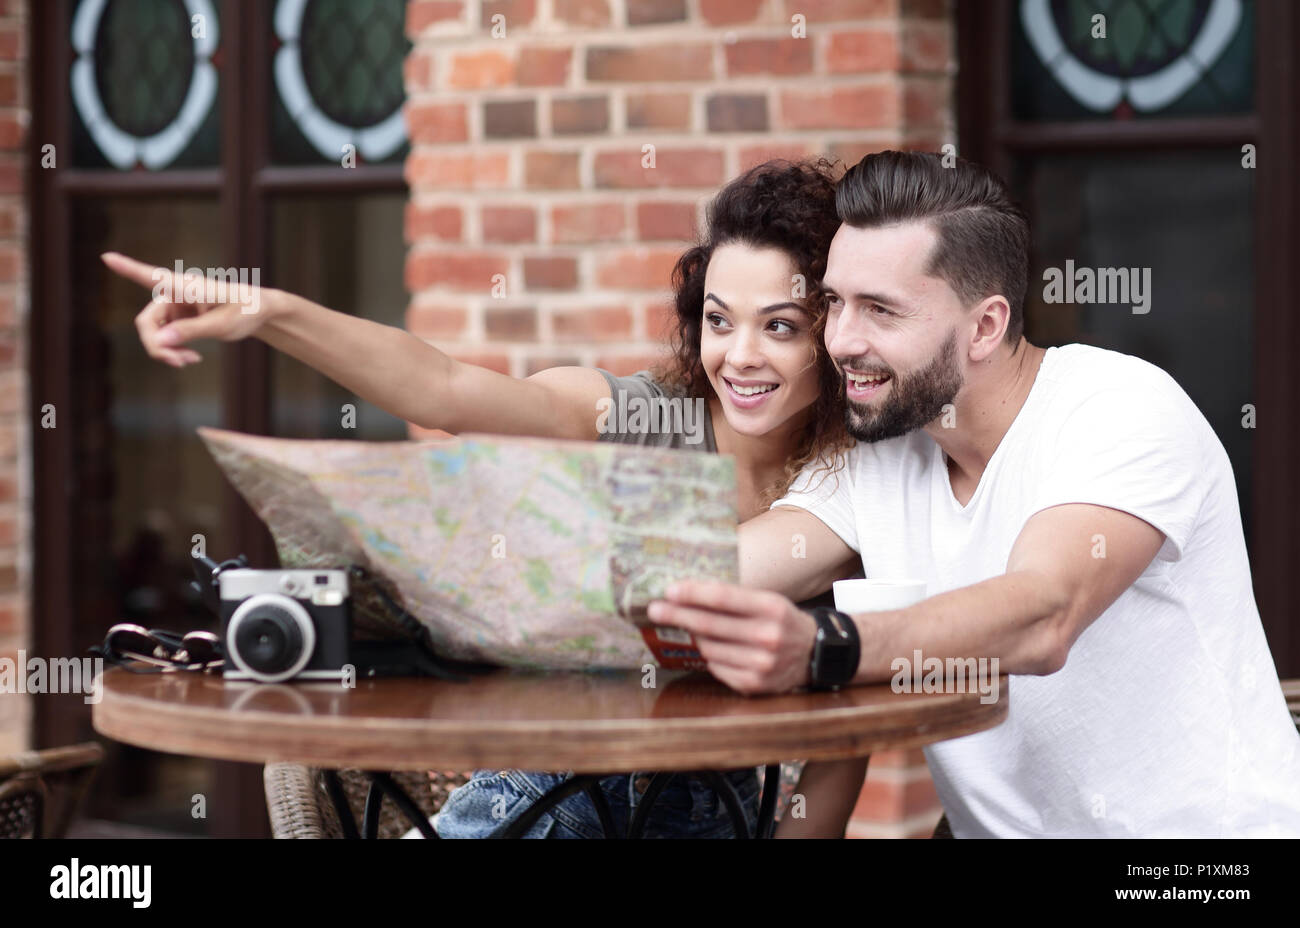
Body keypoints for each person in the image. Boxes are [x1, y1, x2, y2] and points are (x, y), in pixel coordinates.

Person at [104, 158, 859, 838]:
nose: (741, 356)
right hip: (549, 798)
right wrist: (272, 314)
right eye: (719, 321)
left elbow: (844, 744)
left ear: (833, 333)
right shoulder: (650, 421)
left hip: (717, 818)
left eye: (781, 327)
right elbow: (447, 389)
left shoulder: (857, 488)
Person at [648, 149, 1300, 837]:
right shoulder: (886, 450)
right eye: (834, 302)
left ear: (985, 326)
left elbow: (1044, 614)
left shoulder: (1117, 408)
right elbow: (713, 569)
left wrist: (825, 646)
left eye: (880, 310)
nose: (839, 340)